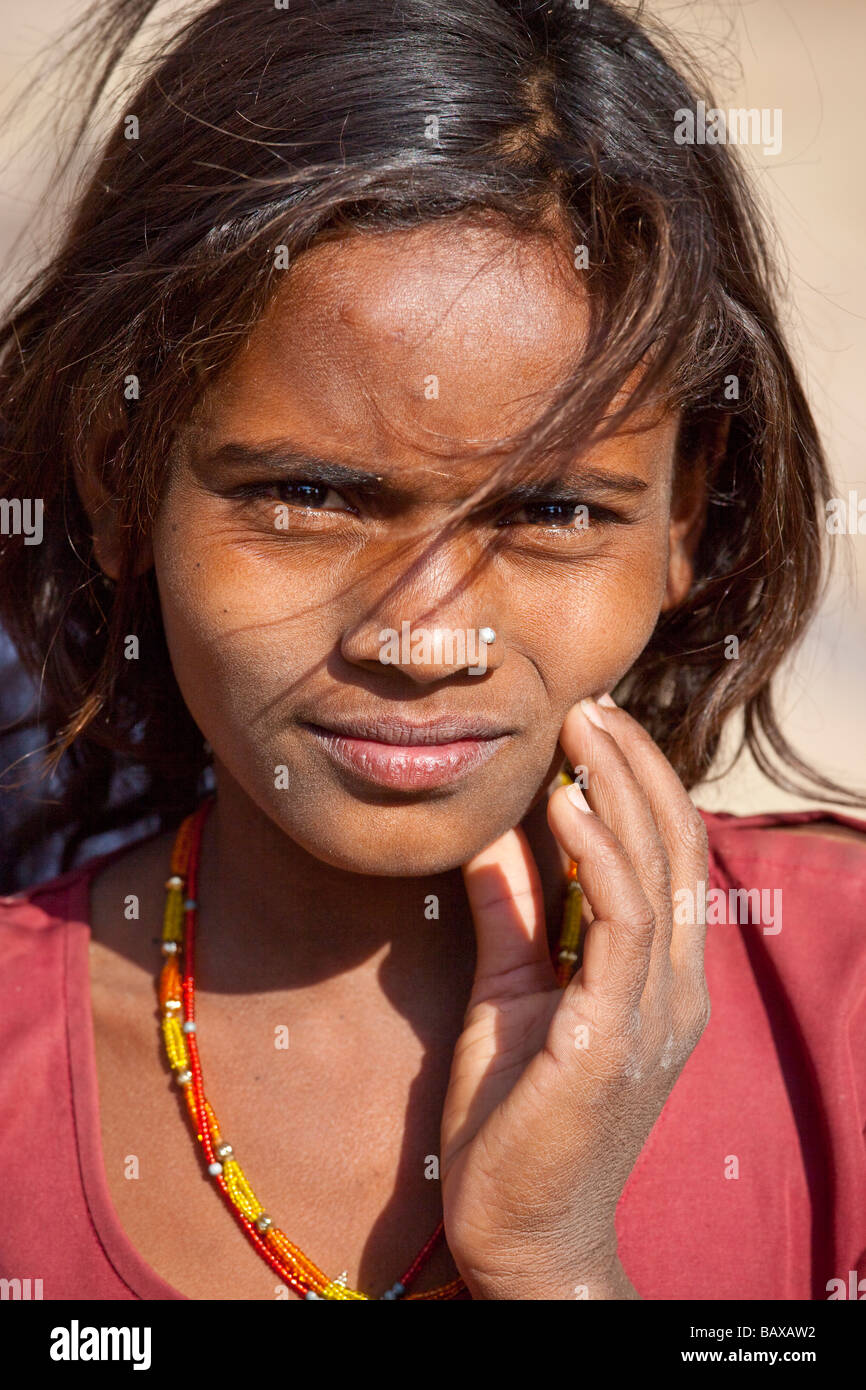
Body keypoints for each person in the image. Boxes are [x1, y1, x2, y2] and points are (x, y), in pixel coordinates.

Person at [0, 0, 863, 1302]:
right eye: (309, 495)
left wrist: (553, 1262)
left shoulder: (837, 1004)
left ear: (682, 517)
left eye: (553, 512)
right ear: (124, 483)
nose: (421, 636)